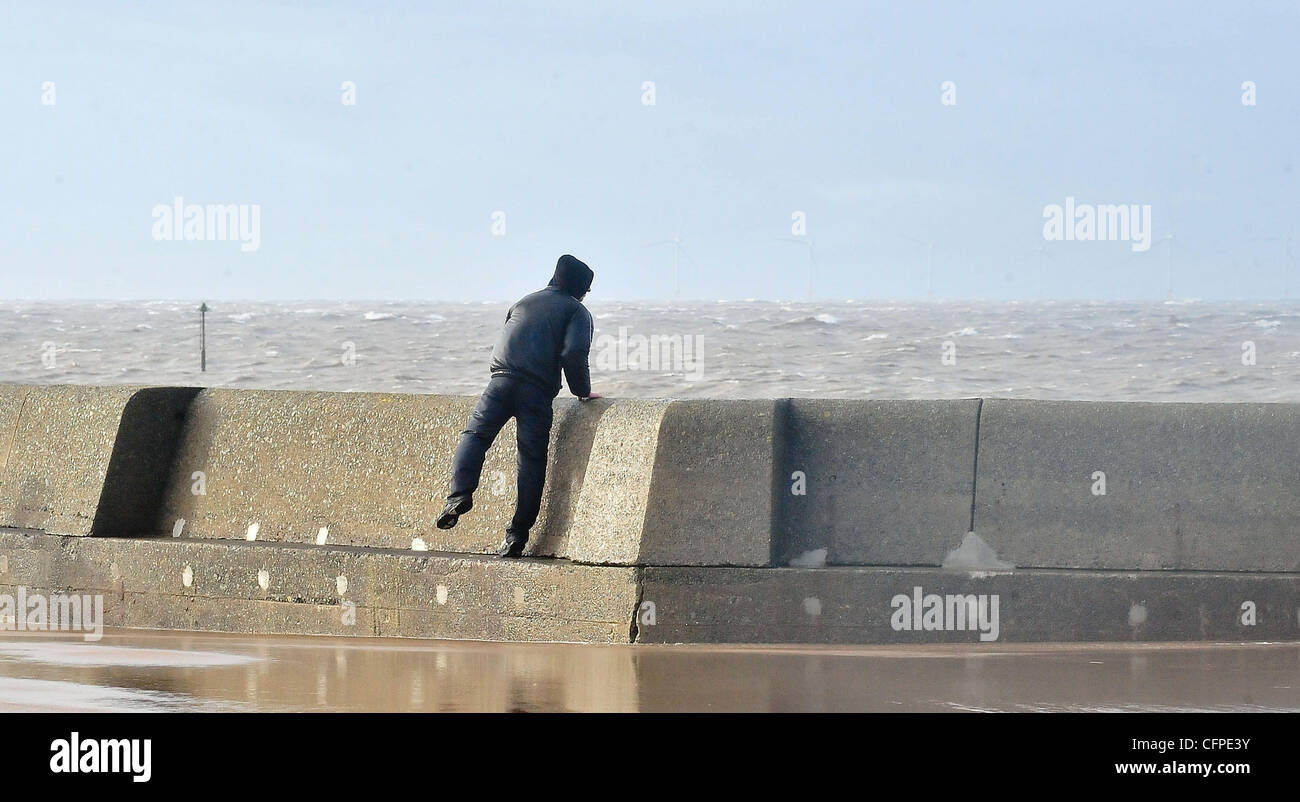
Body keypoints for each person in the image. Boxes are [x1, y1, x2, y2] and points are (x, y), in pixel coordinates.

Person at [437, 254, 602, 558]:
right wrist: (582, 391)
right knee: (530, 462)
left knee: (474, 437)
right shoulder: (577, 311)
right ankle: (516, 536)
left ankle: (458, 496)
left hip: (498, 383)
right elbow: (573, 353)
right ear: (580, 288)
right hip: (535, 393)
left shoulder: (523, 303)